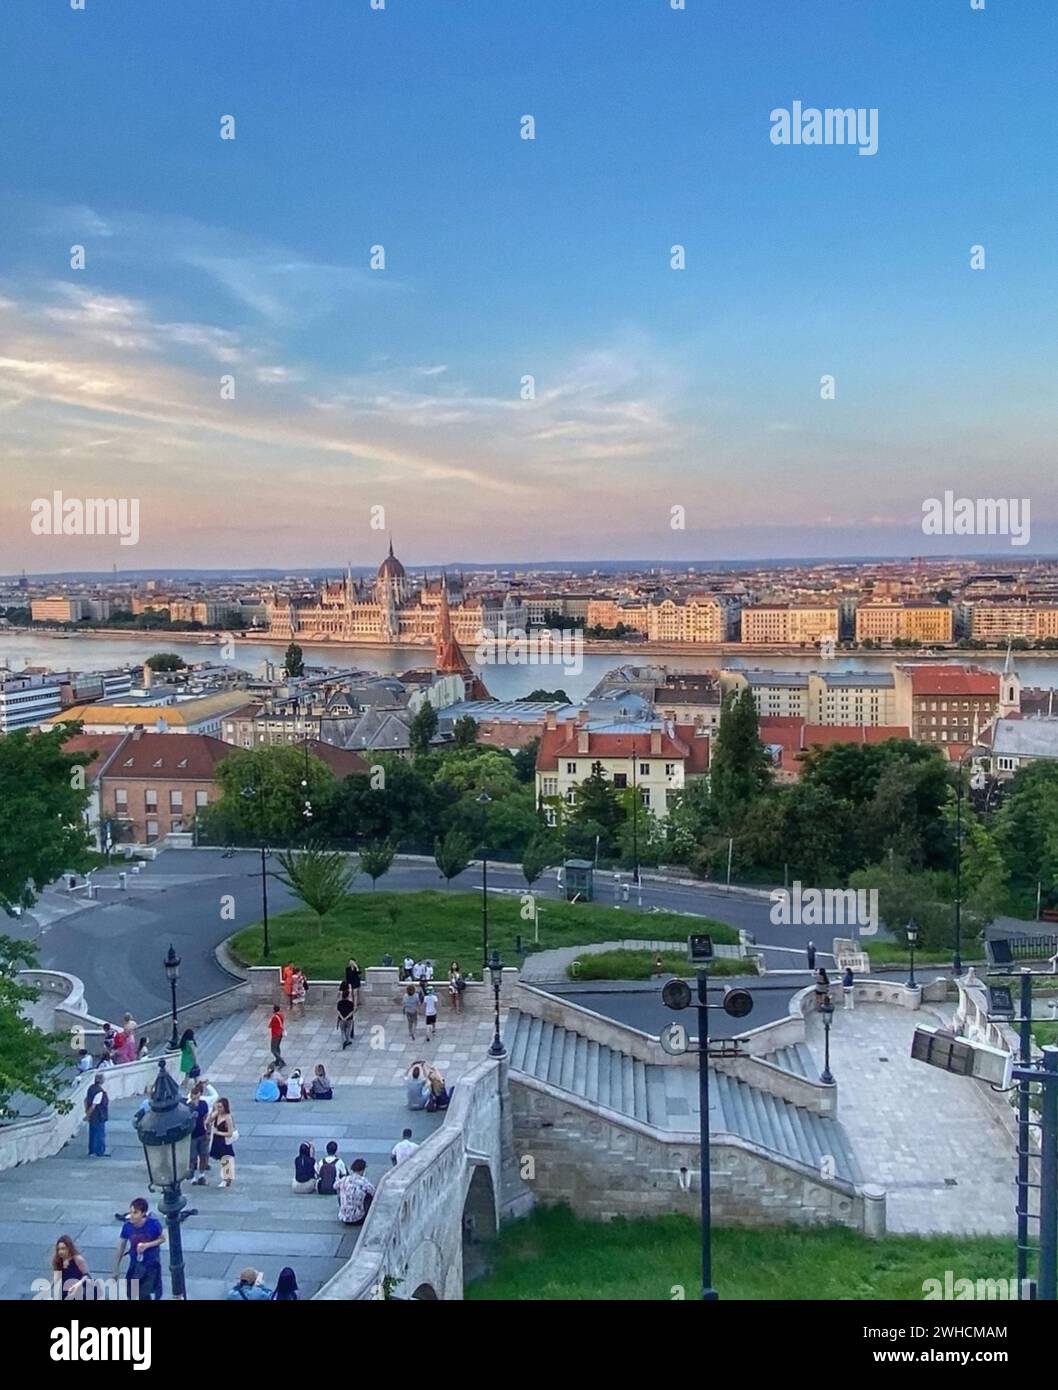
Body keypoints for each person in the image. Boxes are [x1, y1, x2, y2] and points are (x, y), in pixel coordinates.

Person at [113, 1198, 165, 1301]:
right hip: (135, 1263)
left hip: (151, 1264)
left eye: (135, 1213)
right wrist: (116, 1268)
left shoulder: (153, 1224)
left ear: (143, 1213)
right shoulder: (128, 1226)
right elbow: (121, 1246)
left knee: (144, 1293)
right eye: (131, 1212)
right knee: (131, 1292)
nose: (132, 1215)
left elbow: (162, 1239)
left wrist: (147, 1245)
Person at [186, 1081, 212, 1184]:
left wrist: (208, 1131)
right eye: (193, 1096)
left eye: (196, 1096)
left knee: (203, 1155)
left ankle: (201, 1175)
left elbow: (206, 1118)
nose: (195, 1099)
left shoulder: (203, 1104)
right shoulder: (188, 1106)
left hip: (202, 1133)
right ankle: (192, 1177)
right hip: (192, 1135)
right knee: (192, 1157)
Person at [336, 1159, 375, 1226]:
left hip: (343, 1218)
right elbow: (374, 1192)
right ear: (362, 1170)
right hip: (358, 1219)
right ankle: (366, 1215)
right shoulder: (363, 1181)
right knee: (369, 1196)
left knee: (340, 1190)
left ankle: (343, 1210)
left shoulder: (344, 1179)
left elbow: (335, 1186)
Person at [52, 1235, 91, 1300]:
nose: (60, 1251)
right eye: (58, 1249)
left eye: (63, 1248)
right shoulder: (58, 1261)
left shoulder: (77, 1259)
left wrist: (78, 1284)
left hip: (81, 1289)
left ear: (69, 1248)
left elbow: (87, 1275)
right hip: (67, 1291)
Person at [209, 1097, 236, 1188]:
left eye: (220, 1107)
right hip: (217, 1140)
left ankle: (226, 1179)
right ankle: (226, 1178)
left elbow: (230, 1133)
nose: (219, 1109)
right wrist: (213, 1113)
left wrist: (218, 1132)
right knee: (222, 1159)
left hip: (224, 1140)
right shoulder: (217, 1115)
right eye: (218, 1107)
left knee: (226, 1159)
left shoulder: (228, 1117)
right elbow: (207, 1121)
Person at [85, 1073, 109, 1157]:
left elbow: (86, 1100)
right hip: (98, 1116)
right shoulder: (99, 1092)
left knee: (92, 1133)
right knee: (99, 1134)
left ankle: (92, 1151)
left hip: (93, 1116)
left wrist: (86, 1112)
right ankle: (99, 1151)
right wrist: (88, 1114)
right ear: (101, 1080)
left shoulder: (91, 1088)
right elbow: (94, 1105)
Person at [336, 985, 356, 1050]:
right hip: (349, 1019)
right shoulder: (350, 1003)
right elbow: (352, 1012)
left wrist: (342, 1018)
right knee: (348, 1030)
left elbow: (338, 1011)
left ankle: (344, 1040)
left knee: (342, 1031)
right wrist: (347, 1017)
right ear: (348, 996)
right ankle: (347, 1040)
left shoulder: (339, 1003)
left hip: (341, 1019)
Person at [268, 1003, 286, 1068]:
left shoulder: (274, 1017)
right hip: (280, 1033)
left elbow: (269, 1026)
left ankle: (281, 1060)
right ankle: (277, 1061)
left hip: (275, 1034)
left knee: (273, 1049)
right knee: (277, 1047)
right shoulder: (281, 1015)